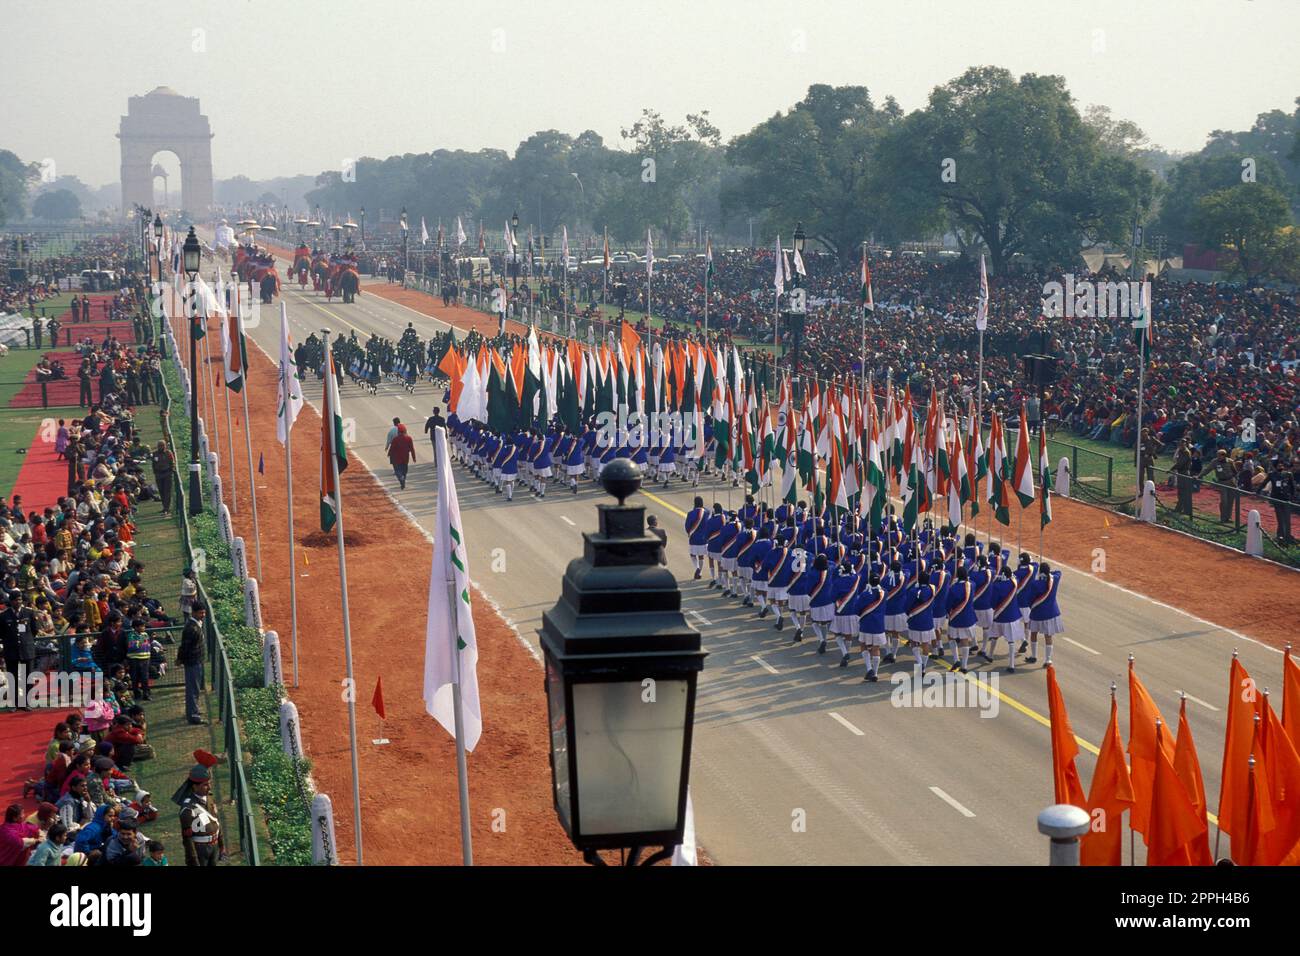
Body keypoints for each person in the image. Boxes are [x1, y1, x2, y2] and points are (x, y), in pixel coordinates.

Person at [174, 763, 222, 866]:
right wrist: (194, 860)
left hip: (214, 847)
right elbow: (188, 840)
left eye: (209, 783)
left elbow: (216, 822)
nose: (209, 787)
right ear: (195, 787)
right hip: (200, 850)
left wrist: (222, 846)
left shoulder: (209, 798)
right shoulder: (187, 809)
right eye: (205, 785)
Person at [178, 604, 206, 724]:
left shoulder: (196, 625)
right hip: (192, 662)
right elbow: (185, 647)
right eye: (201, 613)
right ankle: (193, 715)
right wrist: (180, 659)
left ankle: (194, 710)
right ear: (194, 613)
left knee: (195, 688)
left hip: (196, 661)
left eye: (204, 613)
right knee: (192, 689)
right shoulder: (191, 628)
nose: (203, 615)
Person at [387, 423, 416, 490]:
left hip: (397, 458)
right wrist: (414, 457)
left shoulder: (395, 439)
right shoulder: (409, 438)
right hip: (405, 458)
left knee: (397, 471)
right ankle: (403, 481)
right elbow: (412, 449)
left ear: (398, 432)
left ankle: (401, 479)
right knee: (404, 470)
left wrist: (389, 454)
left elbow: (392, 448)